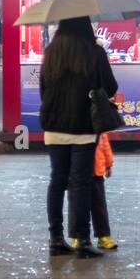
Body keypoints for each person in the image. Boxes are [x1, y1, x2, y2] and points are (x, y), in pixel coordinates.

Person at [39, 16, 117, 258]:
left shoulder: (51, 51)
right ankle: (82, 240)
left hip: (53, 125)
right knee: (81, 183)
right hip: (83, 126)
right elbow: (111, 87)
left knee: (57, 181)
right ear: (86, 26)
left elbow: (43, 88)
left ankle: (56, 239)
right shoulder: (94, 51)